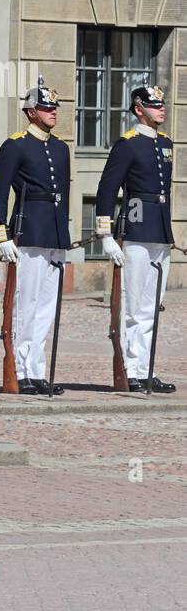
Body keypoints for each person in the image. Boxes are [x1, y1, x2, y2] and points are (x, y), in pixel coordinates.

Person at [0, 77, 71, 396]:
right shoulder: (16, 145)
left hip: (53, 233)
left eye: (53, 107)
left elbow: (62, 192)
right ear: (30, 112)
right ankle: (20, 370)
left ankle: (37, 369)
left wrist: (63, 234)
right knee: (26, 303)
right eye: (45, 108)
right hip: (28, 229)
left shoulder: (60, 148)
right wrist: (2, 234)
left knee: (46, 307)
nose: (52, 112)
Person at [94, 77, 175, 393]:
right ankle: (129, 369)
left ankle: (145, 367)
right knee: (133, 303)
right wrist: (105, 233)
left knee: (152, 305)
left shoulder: (165, 143)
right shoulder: (127, 144)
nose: (161, 109)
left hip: (159, 230)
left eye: (161, 104)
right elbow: (107, 189)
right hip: (137, 229)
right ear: (139, 110)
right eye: (154, 105)